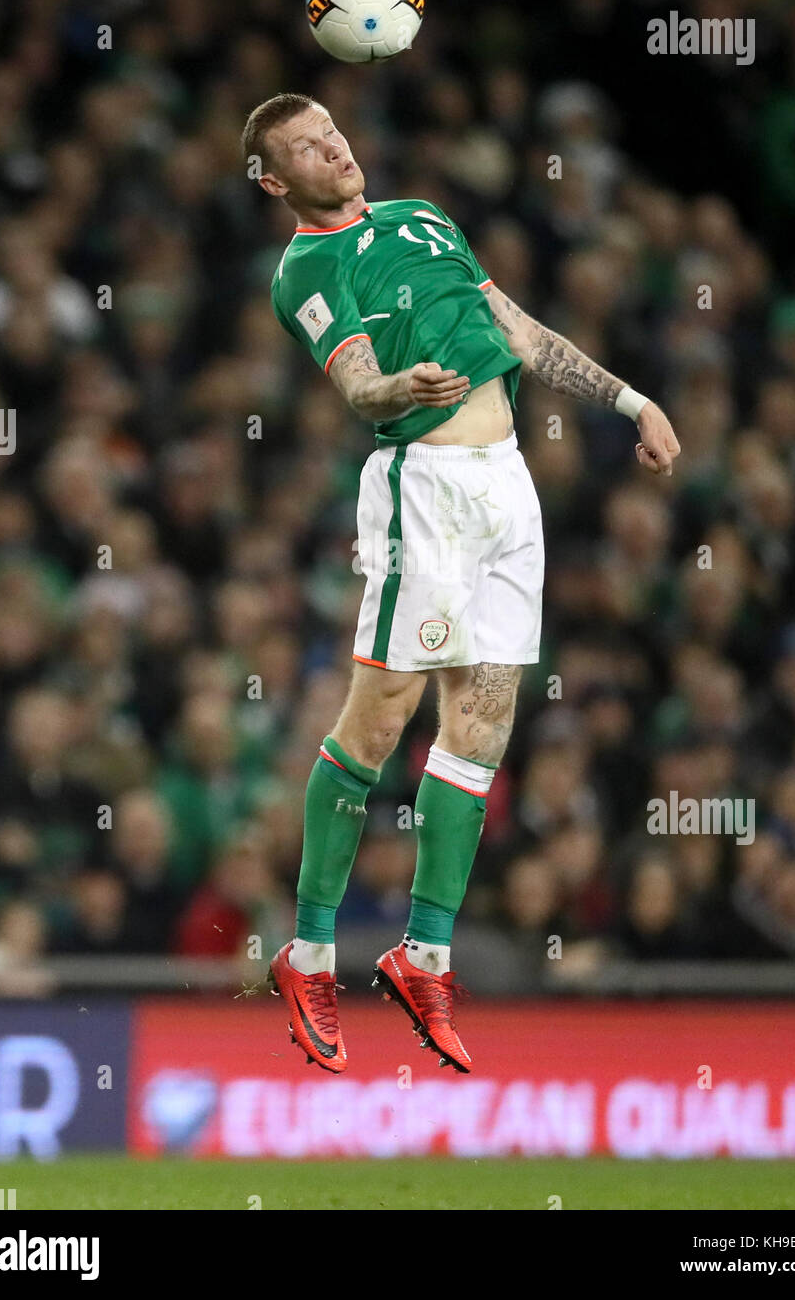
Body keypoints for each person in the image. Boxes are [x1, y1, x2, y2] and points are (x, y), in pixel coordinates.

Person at [242, 93, 680, 1073]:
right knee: (379, 716)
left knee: (481, 720)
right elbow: (354, 380)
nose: (334, 145)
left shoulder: (424, 217)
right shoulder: (305, 269)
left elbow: (515, 329)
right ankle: (309, 951)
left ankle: (422, 953)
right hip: (422, 485)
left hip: (507, 484)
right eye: (306, 146)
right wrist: (398, 389)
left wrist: (626, 397)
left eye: (333, 129)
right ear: (275, 181)